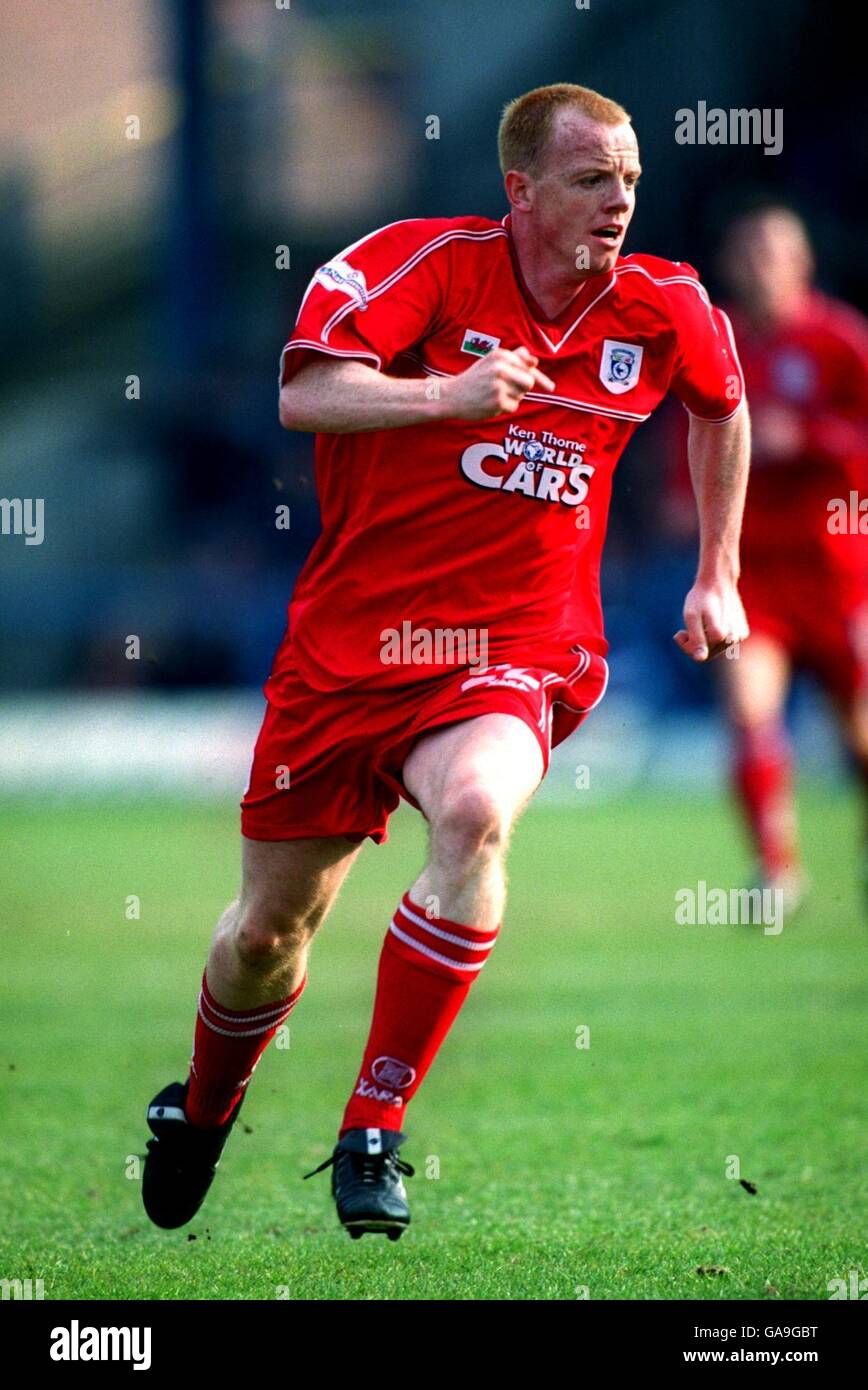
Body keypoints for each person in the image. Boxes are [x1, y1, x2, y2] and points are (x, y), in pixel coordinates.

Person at [141, 83, 749, 1241]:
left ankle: (374, 1123)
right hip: (346, 654)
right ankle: (205, 1108)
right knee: (266, 939)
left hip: (516, 646)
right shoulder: (415, 268)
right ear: (519, 191)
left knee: (475, 813)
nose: (617, 200)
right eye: (589, 180)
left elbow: (723, 407)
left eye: (629, 179)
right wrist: (449, 395)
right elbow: (303, 390)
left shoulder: (663, 303)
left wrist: (716, 571)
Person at [716, 205, 868, 911]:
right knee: (750, 714)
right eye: (748, 253)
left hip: (840, 572)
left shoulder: (840, 341)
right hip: (757, 576)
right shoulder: (722, 345)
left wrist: (806, 438)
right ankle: (776, 870)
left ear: (802, 262)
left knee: (859, 737)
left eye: (773, 252)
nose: (760, 266)